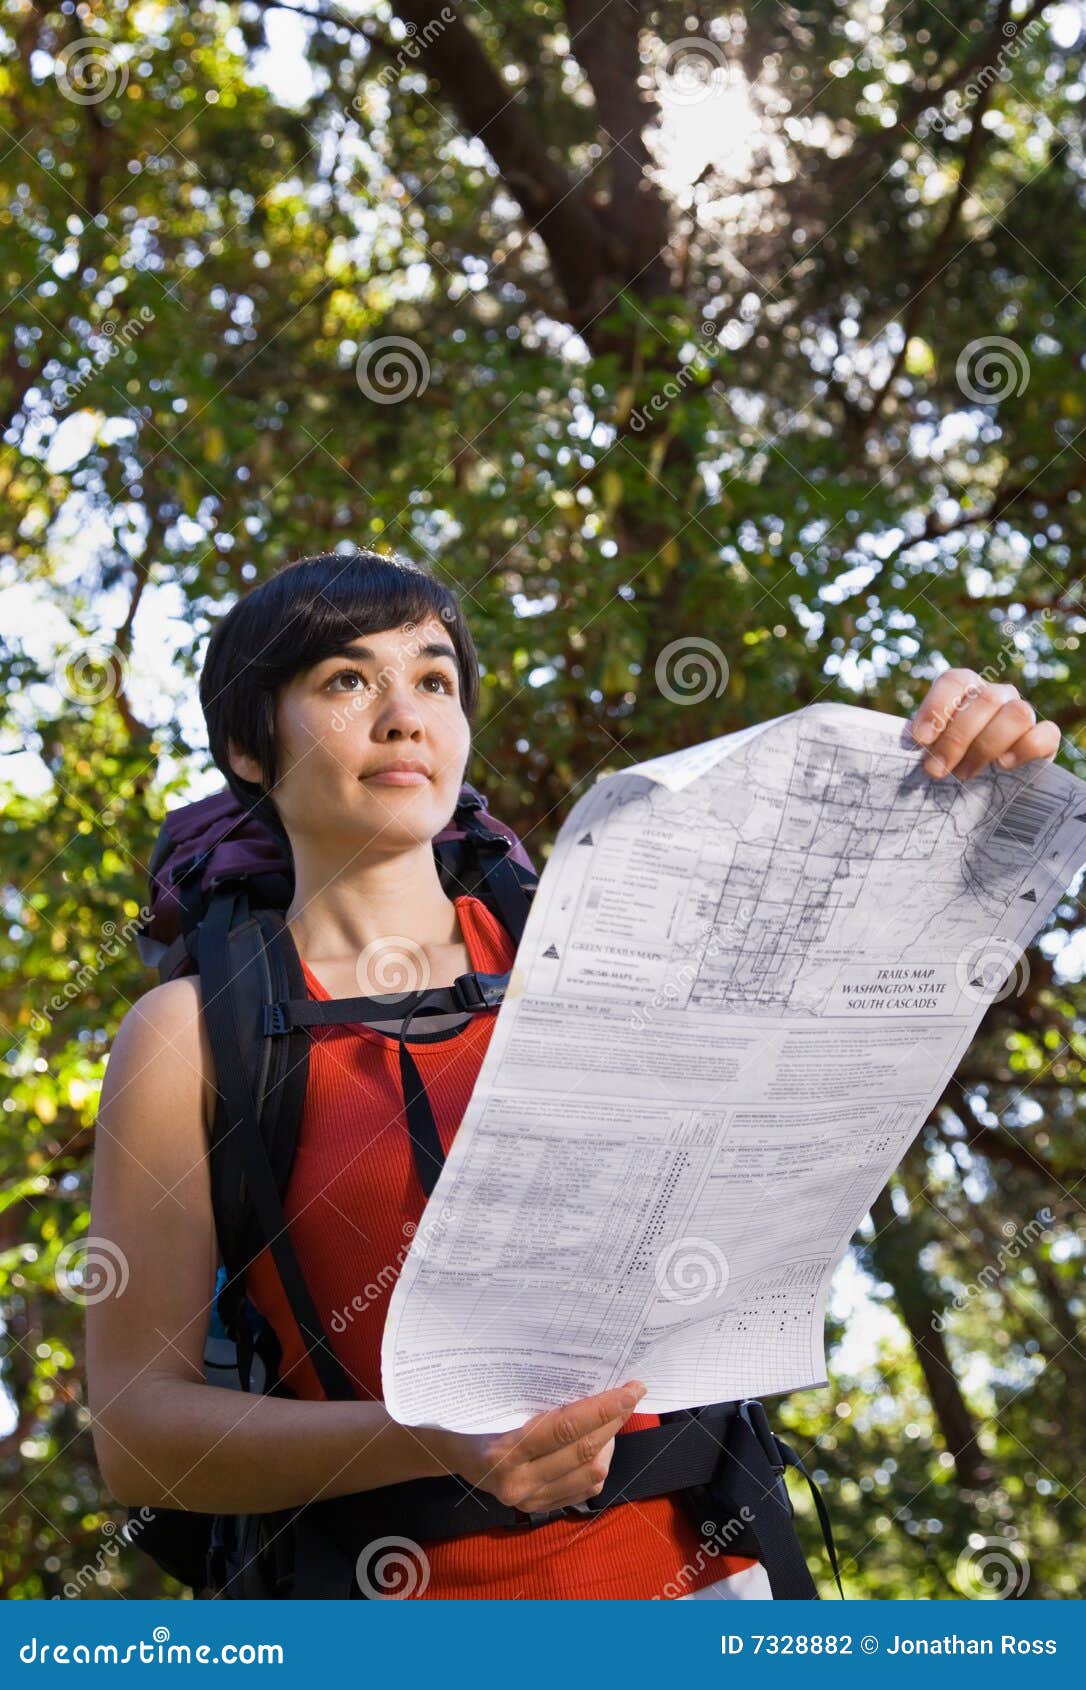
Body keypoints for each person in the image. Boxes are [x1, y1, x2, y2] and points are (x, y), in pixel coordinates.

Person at [85, 550, 1061, 1600]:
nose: (404, 715)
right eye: (345, 680)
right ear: (247, 744)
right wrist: (431, 1437)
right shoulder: (190, 1037)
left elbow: (850, 998)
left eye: (433, 679)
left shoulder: (605, 947)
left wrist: (965, 782)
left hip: (710, 1594)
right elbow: (140, 1437)